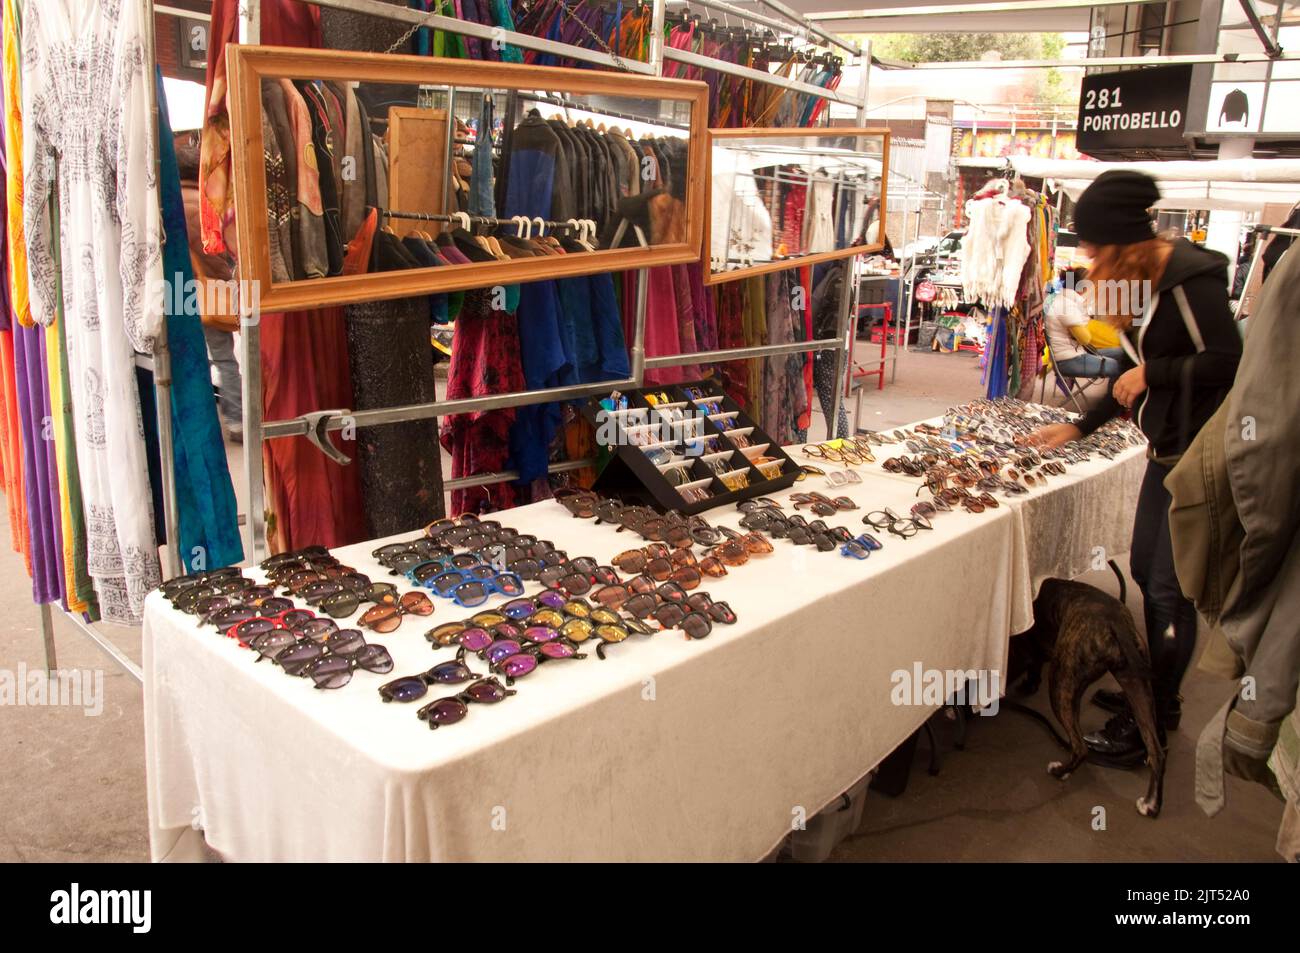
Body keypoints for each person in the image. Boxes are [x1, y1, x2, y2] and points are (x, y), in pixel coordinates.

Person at [1029, 170, 1243, 767]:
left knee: (1171, 593)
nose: (1089, 256)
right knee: (1149, 572)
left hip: (1198, 455)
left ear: (1124, 240)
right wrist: (1076, 427)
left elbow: (1227, 361)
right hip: (1163, 450)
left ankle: (1156, 718)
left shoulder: (1190, 280)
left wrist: (1155, 373)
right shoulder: (1134, 281)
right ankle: (1150, 693)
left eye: (1097, 244)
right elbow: (1125, 366)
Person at [1045, 265, 1127, 380]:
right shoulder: (1067, 306)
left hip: (1074, 353)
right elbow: (1085, 339)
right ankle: (1114, 397)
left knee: (1124, 354)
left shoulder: (1064, 300)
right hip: (1069, 360)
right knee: (1122, 366)